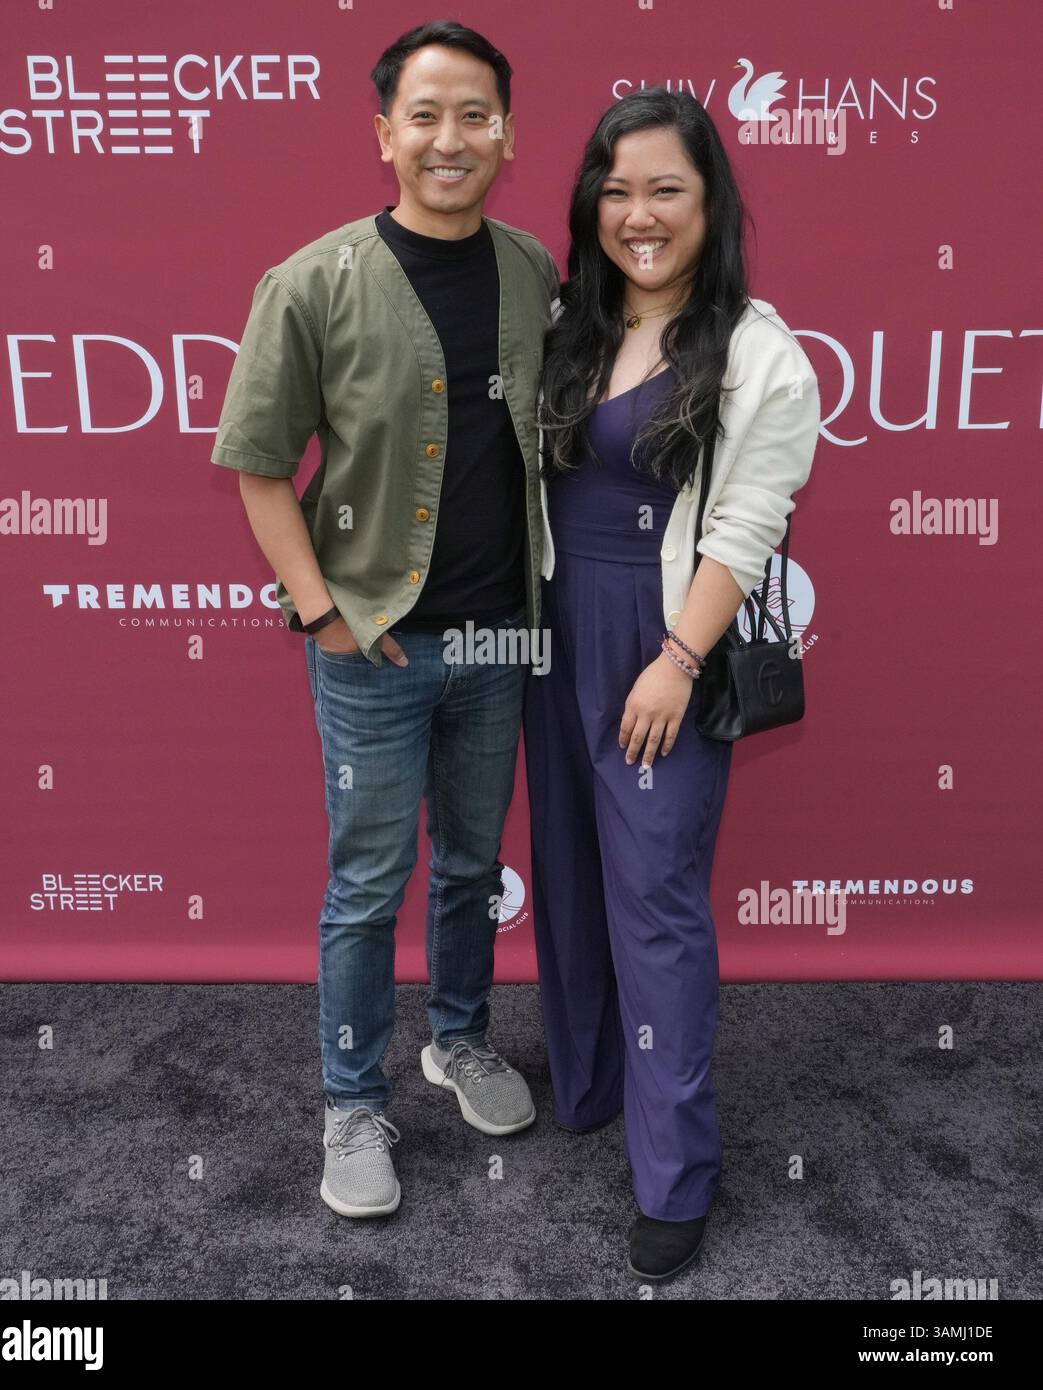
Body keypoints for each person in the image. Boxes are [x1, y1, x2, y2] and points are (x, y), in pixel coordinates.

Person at [210, 21, 560, 1218]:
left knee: (469, 866)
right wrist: (323, 612)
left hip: (498, 642)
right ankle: (350, 1102)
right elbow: (260, 463)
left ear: (505, 134)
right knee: (367, 883)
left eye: (473, 115)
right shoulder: (310, 281)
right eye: (424, 115)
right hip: (375, 648)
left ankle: (456, 1039)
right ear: (383, 135)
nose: (449, 138)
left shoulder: (532, 271)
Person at [524, 87, 821, 1281]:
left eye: (665, 190)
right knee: (567, 878)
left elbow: (743, 529)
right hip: (551, 636)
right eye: (613, 189)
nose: (635, 215)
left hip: (660, 645)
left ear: (711, 202)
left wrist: (675, 658)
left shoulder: (759, 351)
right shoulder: (564, 322)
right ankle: (589, 1086)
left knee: (653, 909)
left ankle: (675, 1173)